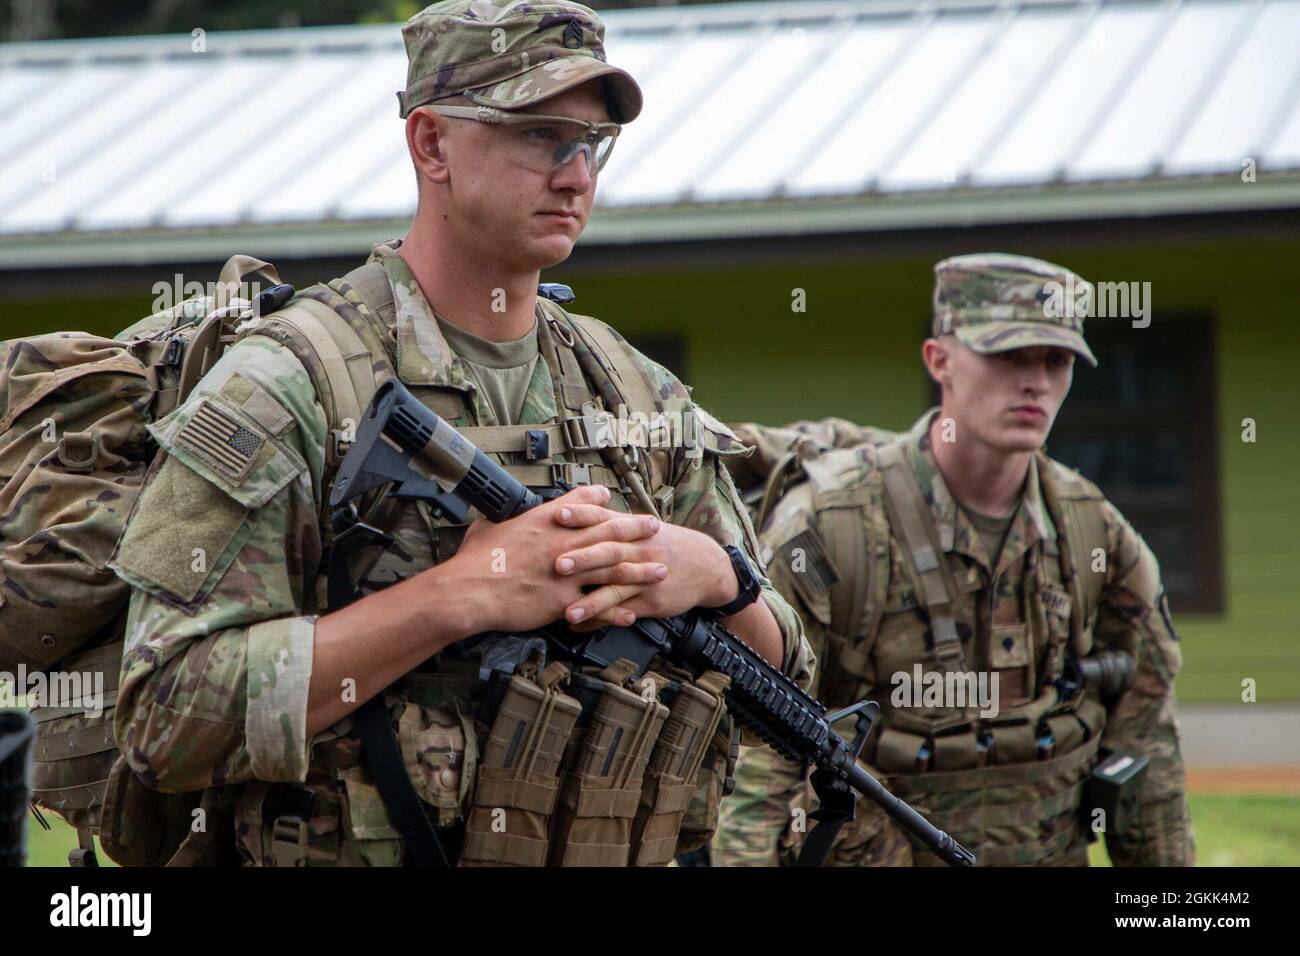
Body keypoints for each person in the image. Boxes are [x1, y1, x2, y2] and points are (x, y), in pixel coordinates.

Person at [109, 0, 809, 867]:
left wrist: (716, 577)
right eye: (542, 134)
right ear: (431, 144)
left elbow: (785, 684)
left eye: (593, 143)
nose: (576, 174)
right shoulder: (289, 381)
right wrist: (458, 597)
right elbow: (166, 714)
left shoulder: (635, 390)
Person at [713, 254, 1193, 867]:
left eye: (1057, 360)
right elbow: (761, 763)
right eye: (1009, 356)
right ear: (939, 360)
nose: (1036, 383)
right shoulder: (834, 527)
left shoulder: (1092, 530)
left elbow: (1146, 744)